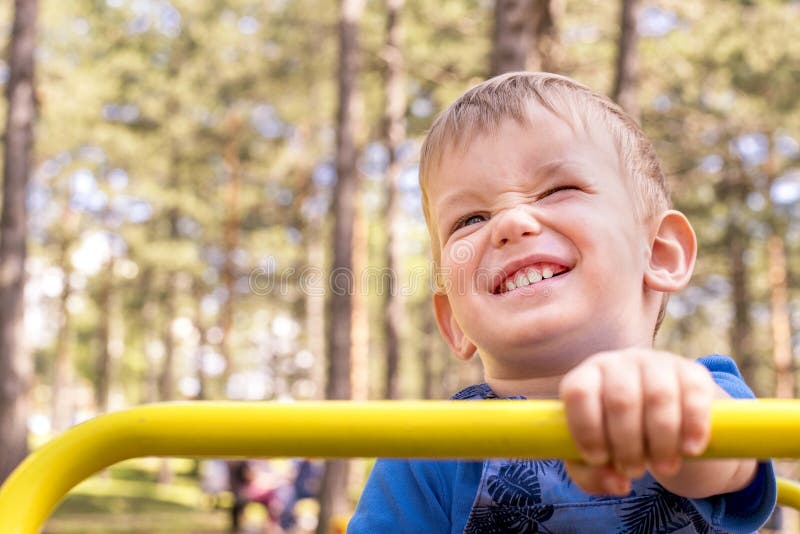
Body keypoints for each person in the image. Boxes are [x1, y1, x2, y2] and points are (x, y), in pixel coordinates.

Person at [347, 72, 777, 533]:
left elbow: (721, 460)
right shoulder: (427, 453)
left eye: (556, 190)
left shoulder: (706, 392)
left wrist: (663, 403)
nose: (512, 222)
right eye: (470, 219)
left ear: (658, 252)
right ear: (452, 319)